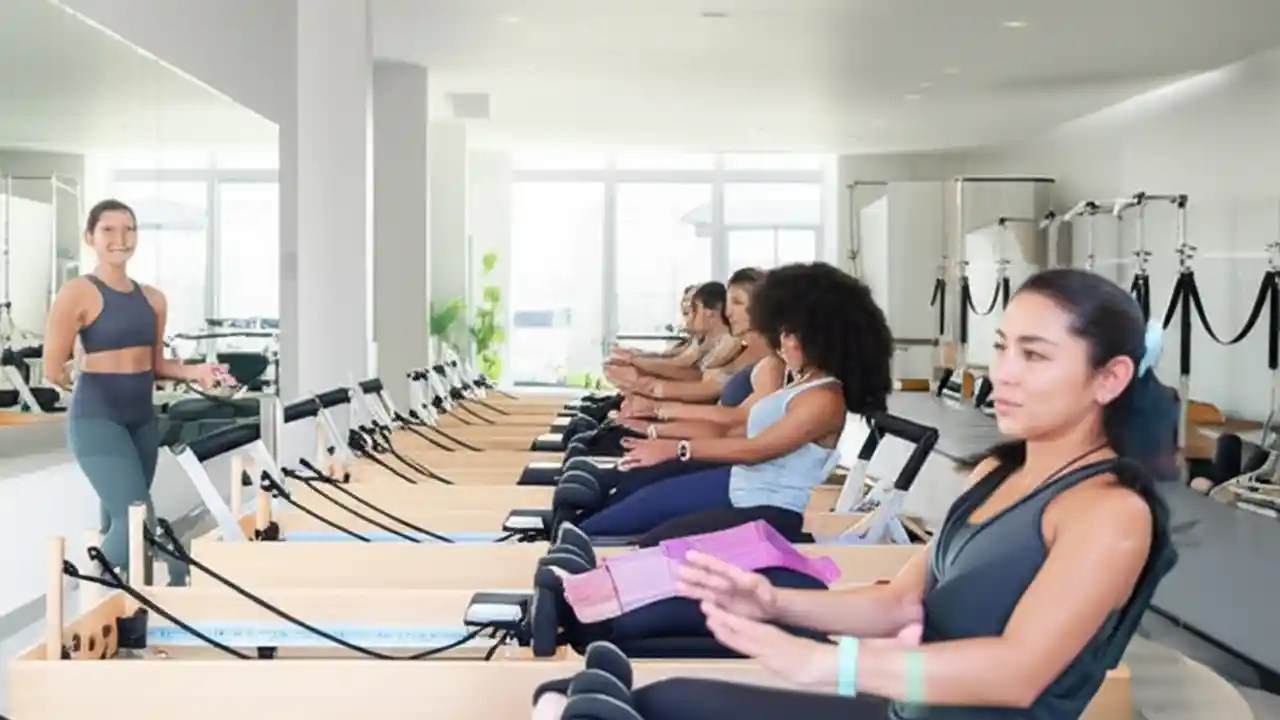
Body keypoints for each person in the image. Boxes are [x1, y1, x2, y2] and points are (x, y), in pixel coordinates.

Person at [534, 268, 1177, 720]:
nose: (1003, 372)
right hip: (898, 706)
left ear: (1110, 376)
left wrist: (827, 666)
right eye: (1004, 348)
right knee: (658, 701)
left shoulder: (1111, 513)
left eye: (1035, 356)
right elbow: (899, 602)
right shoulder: (993, 477)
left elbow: (1017, 673)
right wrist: (772, 601)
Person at [577, 262, 894, 543]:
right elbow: (738, 422)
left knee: (651, 540)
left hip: (767, 511)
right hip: (737, 487)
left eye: (791, 334)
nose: (782, 342)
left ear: (822, 338)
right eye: (781, 332)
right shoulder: (802, 382)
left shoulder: (825, 399)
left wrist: (674, 446)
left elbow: (756, 448)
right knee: (628, 511)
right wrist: (658, 423)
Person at [43, 199, 231, 585]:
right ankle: (80, 601)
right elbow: (51, 368)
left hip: (142, 420)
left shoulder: (153, 299)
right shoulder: (77, 292)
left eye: (129, 229)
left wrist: (197, 371)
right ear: (90, 237)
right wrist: (86, 365)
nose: (120, 238)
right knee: (135, 520)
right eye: (108, 230)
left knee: (121, 520)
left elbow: (157, 365)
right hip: (97, 418)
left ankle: (121, 615)